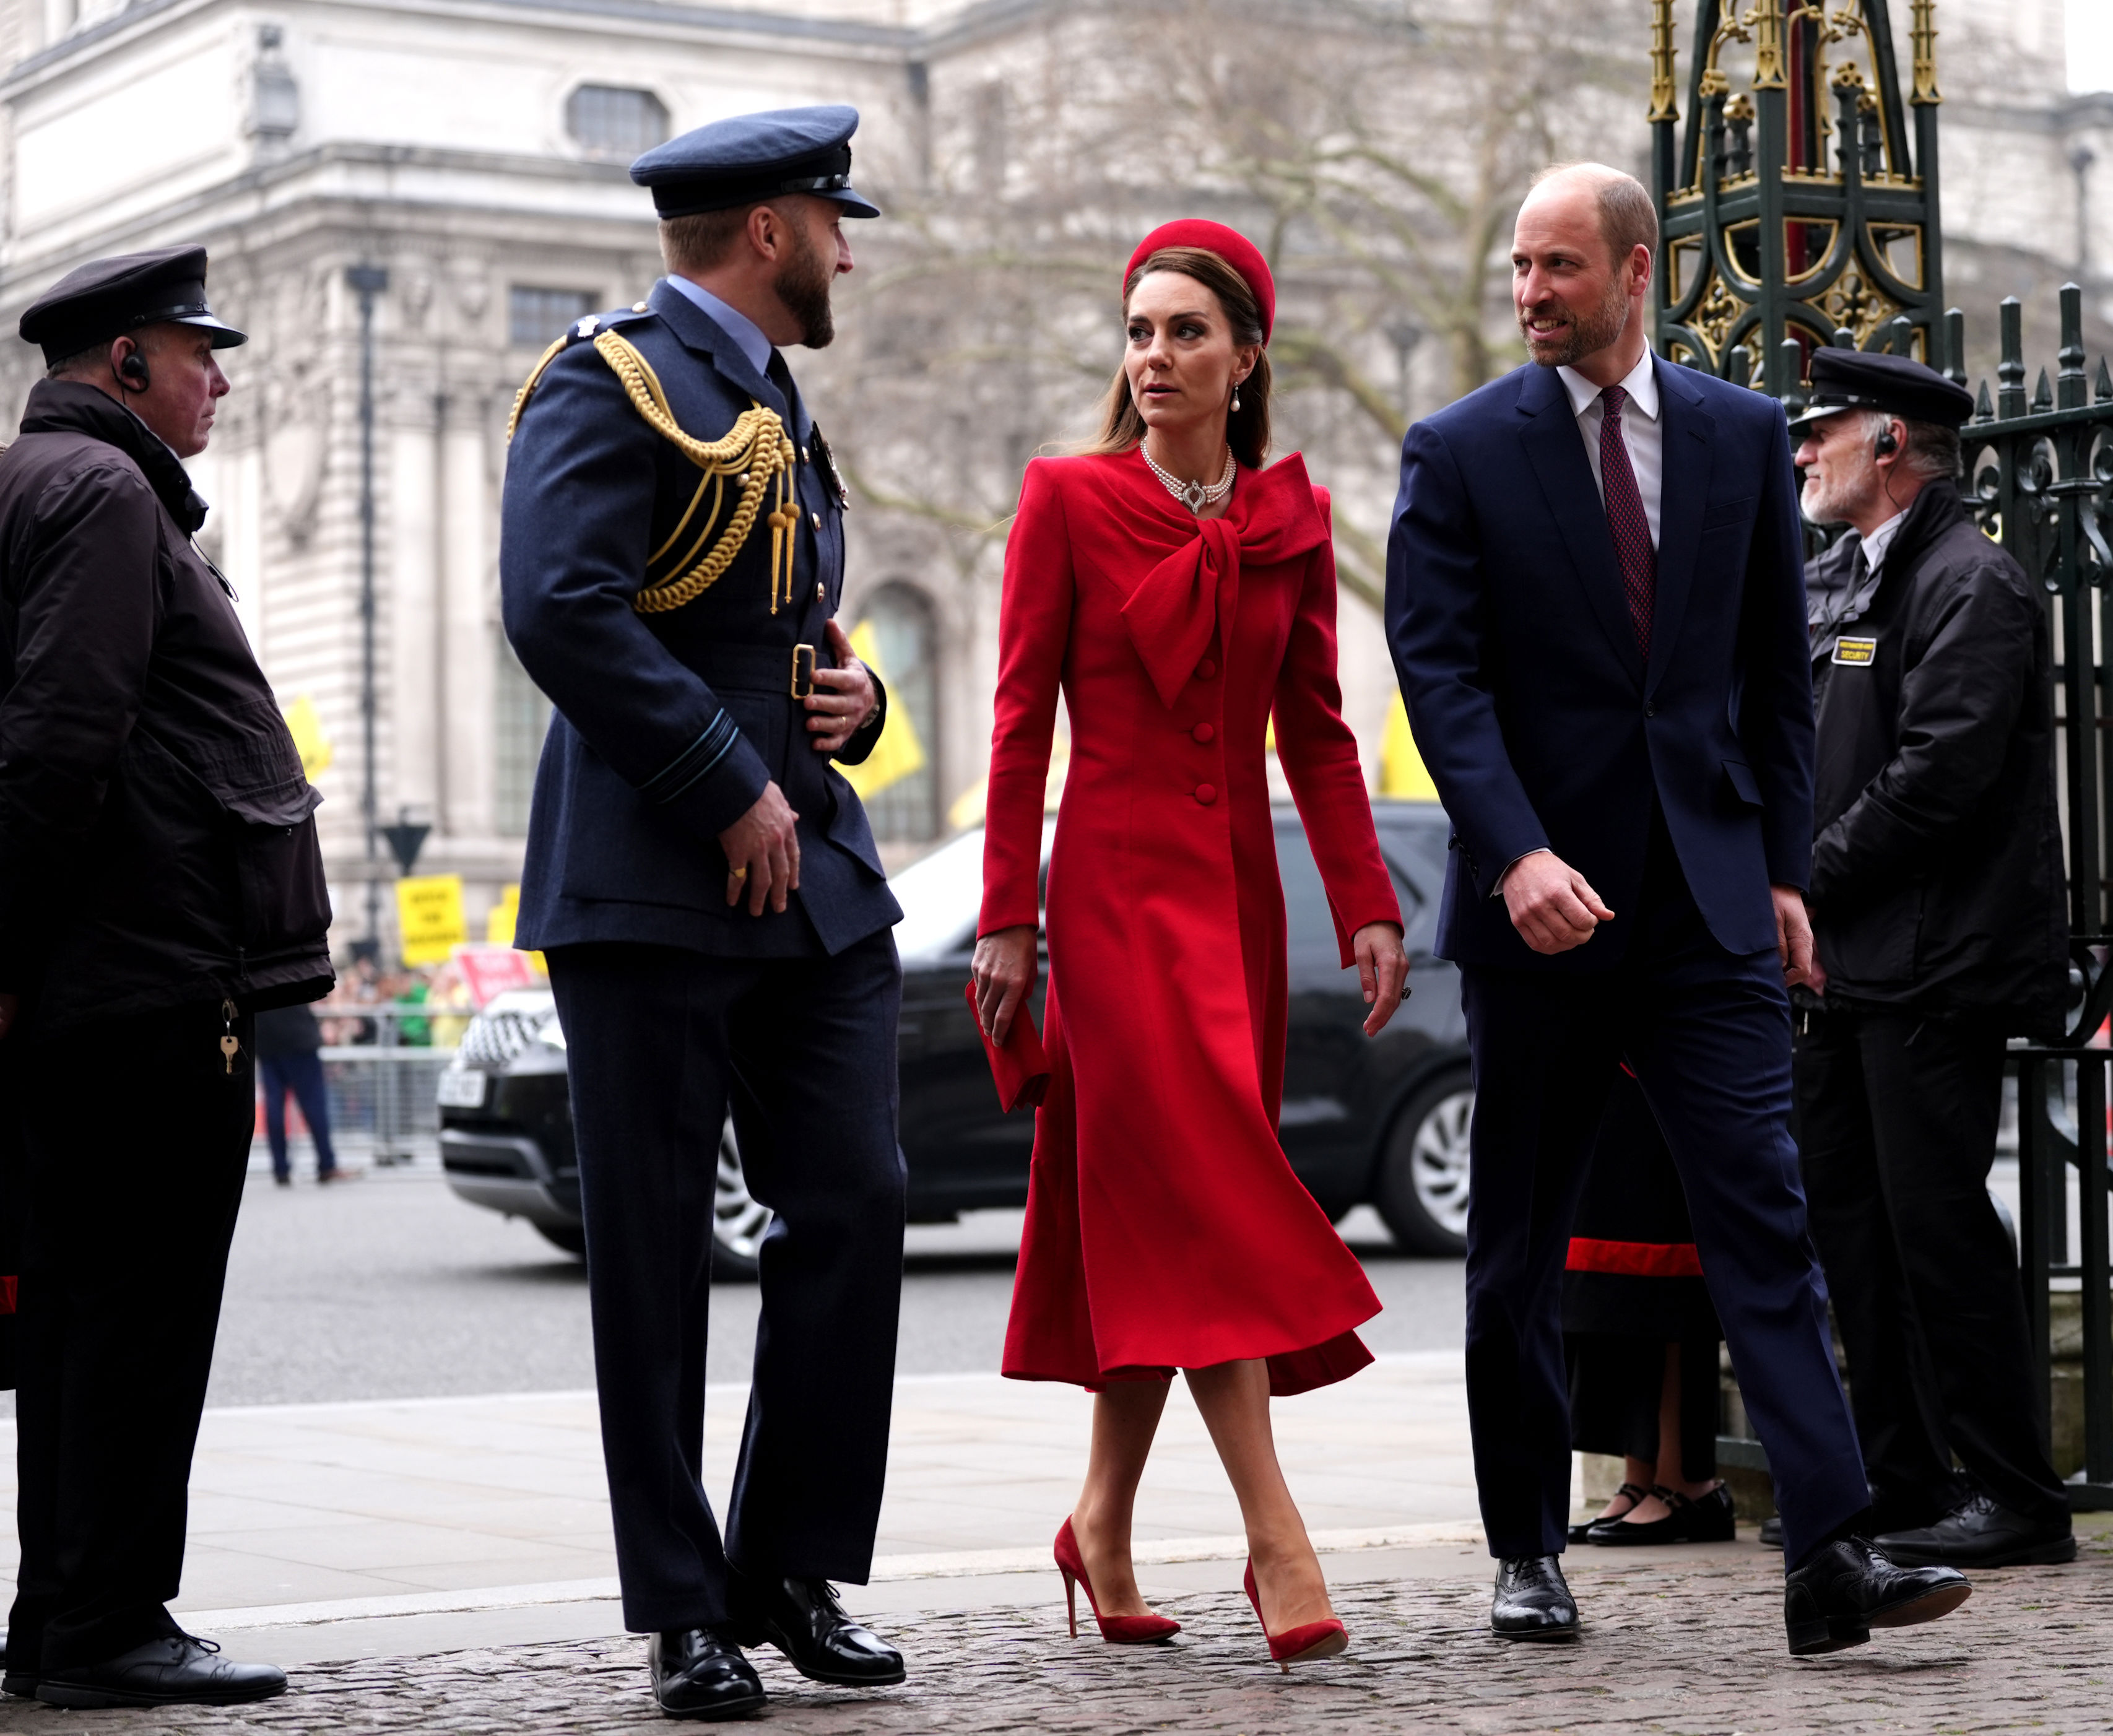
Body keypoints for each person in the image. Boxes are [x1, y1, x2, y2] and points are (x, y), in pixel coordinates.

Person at [1384, 162, 1969, 1657]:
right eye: (1518, 266)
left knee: (1761, 1223)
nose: (1528, 293)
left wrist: (1777, 872)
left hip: (1705, 907)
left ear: (1633, 272)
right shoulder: (1456, 453)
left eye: (1558, 267)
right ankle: (1524, 1546)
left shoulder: (1729, 439)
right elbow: (1439, 682)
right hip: (1538, 920)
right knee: (1516, 1241)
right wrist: (1510, 852)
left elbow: (1773, 681)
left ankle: (1830, 1553)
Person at [498, 105, 909, 1719]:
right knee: (654, 1251)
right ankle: (682, 1606)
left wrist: (855, 698)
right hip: (651, 858)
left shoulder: (768, 392)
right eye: (831, 221)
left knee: (856, 1201)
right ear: (765, 231)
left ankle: (784, 1564)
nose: (845, 250)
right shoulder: (610, 377)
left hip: (805, 858)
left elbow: (785, 622)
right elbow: (557, 603)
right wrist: (721, 779)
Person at [969, 219, 1409, 1672]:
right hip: (1107, 904)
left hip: (1238, 907)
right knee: (1212, 1195)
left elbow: (1321, 740)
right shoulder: (1065, 499)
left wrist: (1364, 900)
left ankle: (1096, 1518)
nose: (1151, 355)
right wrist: (1007, 920)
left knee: (1161, 1223)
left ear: (1244, 357)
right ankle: (1274, 1533)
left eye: (1182, 334)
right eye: (1138, 332)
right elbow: (1019, 721)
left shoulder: (1287, 520)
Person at [0, 245, 331, 1708]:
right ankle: (106, 1620)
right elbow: (59, 742)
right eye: (199, 351)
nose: (221, 376)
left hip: (98, 971)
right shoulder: (107, 494)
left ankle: (64, 1611)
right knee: (133, 1317)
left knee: (75, 1313)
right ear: (124, 361)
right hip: (141, 980)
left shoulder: (44, 484)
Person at [1787, 345, 2075, 1571]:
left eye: (1823, 430)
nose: (1802, 452)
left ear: (1891, 441)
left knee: (1939, 1229)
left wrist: (1799, 882)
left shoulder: (1975, 582)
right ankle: (1903, 1479)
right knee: (1851, 1231)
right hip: (1844, 967)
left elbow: (1937, 781)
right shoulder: (1834, 582)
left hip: (1939, 963)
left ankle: (2016, 1493)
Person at [1563, 1069, 1738, 1547]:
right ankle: (1641, 1474)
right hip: (1612, 1054)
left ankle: (1685, 1480)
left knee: (1662, 1256)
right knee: (1618, 1269)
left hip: (1664, 1046)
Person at [255, 1002, 348, 1185]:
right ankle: (326, 1164)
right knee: (314, 1106)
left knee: (274, 1108)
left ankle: (280, 1169)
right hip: (299, 1039)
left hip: (267, 1041)